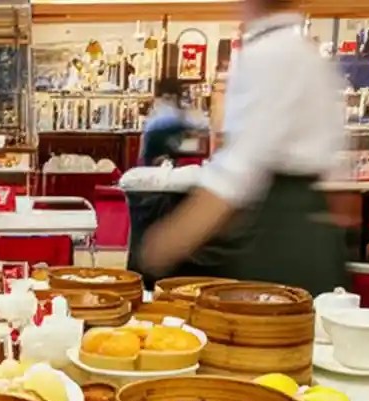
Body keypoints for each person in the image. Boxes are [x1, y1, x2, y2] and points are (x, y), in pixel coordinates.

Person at [139, 0, 348, 295]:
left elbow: (239, 170)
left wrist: (171, 239)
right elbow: (337, 172)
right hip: (314, 230)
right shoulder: (308, 53)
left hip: (278, 234)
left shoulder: (266, 54)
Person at [140, 78, 207, 166]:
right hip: (169, 162)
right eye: (167, 98)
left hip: (157, 163)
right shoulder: (181, 117)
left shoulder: (155, 117)